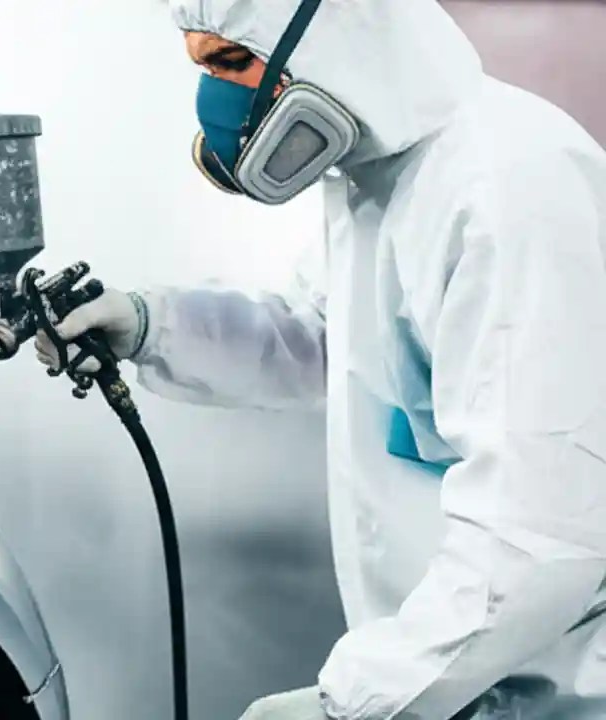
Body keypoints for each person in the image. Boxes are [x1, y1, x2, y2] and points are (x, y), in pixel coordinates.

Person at [35, 0, 606, 717]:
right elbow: (323, 338)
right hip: (451, 674)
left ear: (337, 34)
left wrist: (354, 702)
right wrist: (152, 326)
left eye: (231, 62)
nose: (215, 99)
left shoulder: (509, 188)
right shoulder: (378, 178)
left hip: (554, 685)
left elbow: (538, 529)